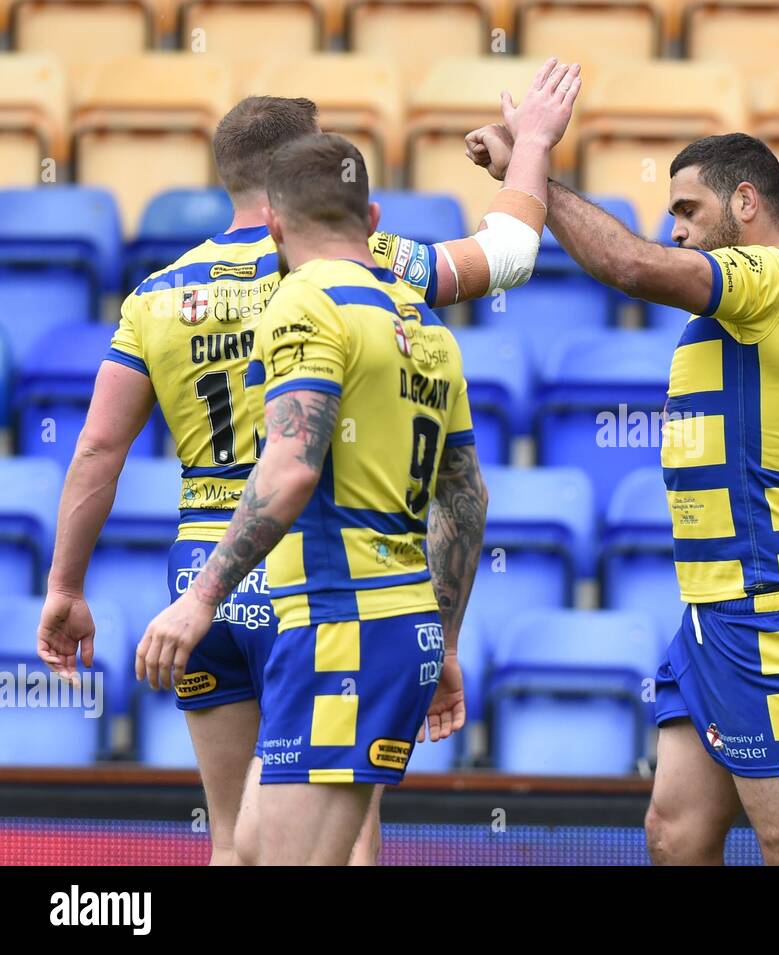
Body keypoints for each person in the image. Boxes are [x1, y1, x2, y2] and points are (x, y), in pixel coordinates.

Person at [136, 63, 574, 865]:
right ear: (367, 212)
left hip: (302, 595)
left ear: (272, 217)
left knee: (248, 847)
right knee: (306, 842)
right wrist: (531, 148)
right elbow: (467, 495)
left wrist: (186, 597)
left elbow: (107, 450)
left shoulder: (194, 287)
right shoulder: (400, 289)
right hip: (392, 614)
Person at [467, 124, 779, 865]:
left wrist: (532, 176)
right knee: (676, 835)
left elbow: (628, 263)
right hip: (719, 612)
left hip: (767, 610)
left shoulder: (767, 280)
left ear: (746, 202)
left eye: (687, 209)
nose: (674, 228)